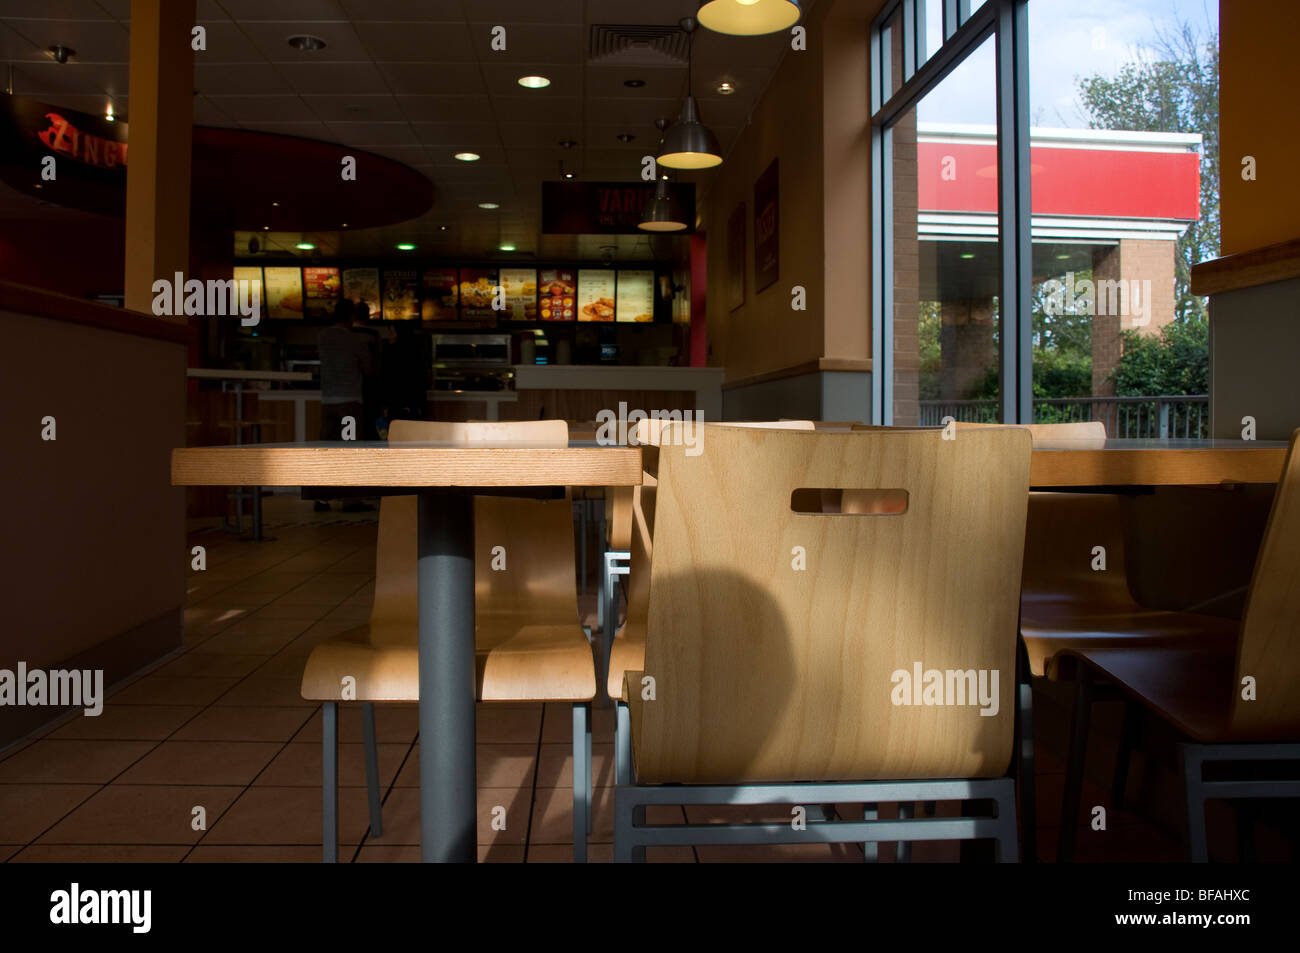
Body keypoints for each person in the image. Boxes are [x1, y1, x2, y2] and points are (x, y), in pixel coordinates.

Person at [313, 300, 375, 512]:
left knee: (326, 450)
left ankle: (322, 498)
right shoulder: (354, 339)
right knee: (350, 449)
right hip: (349, 402)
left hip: (327, 402)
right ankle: (350, 499)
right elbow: (368, 368)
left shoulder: (322, 337)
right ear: (351, 317)